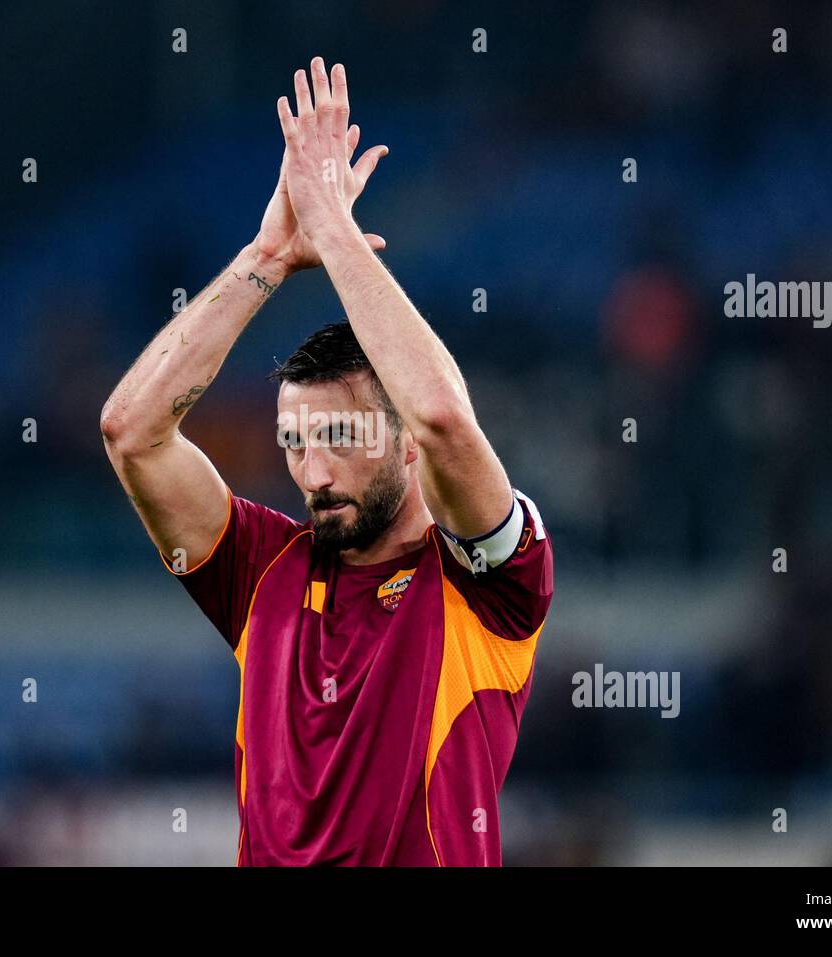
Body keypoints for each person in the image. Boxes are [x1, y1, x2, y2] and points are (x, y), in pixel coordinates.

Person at [100, 56, 552, 865]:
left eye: (340, 440)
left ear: (403, 442)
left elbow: (446, 416)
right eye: (296, 443)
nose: (312, 472)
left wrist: (336, 232)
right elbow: (132, 431)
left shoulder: (490, 586)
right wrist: (268, 257)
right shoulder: (260, 569)